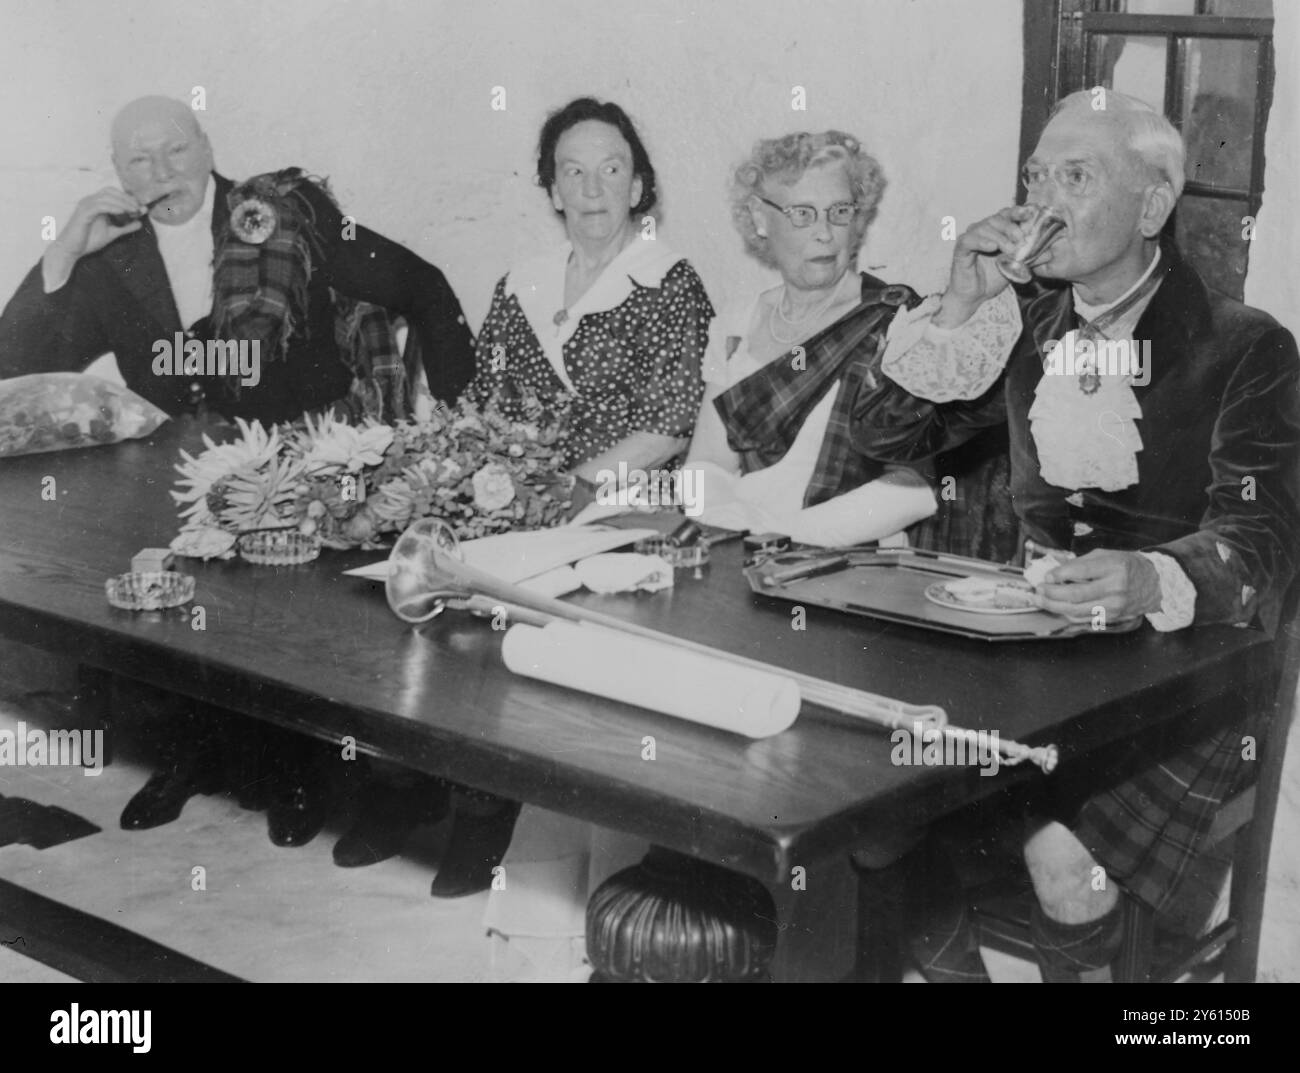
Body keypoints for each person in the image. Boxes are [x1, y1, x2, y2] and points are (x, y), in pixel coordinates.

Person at [853, 90, 1300, 982]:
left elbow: (1264, 538)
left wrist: (1149, 575)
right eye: (1034, 177)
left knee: (1066, 862)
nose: (1042, 201)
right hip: (1030, 668)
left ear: (1152, 206)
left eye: (1076, 176)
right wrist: (955, 307)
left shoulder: (1246, 346)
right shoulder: (1014, 329)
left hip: (1184, 687)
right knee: (870, 812)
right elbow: (882, 438)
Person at [0, 96, 477, 847]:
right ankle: (191, 758)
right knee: (144, 570)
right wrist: (62, 250)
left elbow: (422, 284)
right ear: (117, 173)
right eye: (138, 161)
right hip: (180, 464)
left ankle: (292, 773)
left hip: (300, 452)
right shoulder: (112, 257)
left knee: (273, 608)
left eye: (176, 152)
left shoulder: (279, 213)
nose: (161, 174)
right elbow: (16, 366)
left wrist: (462, 422)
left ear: (206, 145)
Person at [338, 98, 715, 903]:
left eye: (611, 168)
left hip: (621, 500)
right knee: (421, 574)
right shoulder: (525, 280)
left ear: (638, 183)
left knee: (505, 613)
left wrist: (564, 491)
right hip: (525, 486)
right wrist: (472, 474)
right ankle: (405, 786)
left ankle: (485, 809)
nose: (591, 187)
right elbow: (486, 396)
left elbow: (668, 422)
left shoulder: (668, 280)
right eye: (571, 170)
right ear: (550, 188)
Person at [684, 130, 937, 544]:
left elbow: (915, 487)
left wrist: (784, 538)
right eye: (802, 214)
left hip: (854, 561)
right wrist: (732, 527)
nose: (825, 233)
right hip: (745, 552)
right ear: (761, 217)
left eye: (839, 211)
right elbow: (707, 463)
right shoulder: (735, 325)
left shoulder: (895, 320)